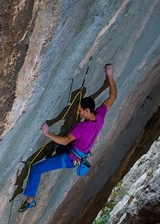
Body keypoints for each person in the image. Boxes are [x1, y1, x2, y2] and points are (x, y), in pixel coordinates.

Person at [19, 63, 118, 211]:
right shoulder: (100, 115)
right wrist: (109, 75)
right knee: (58, 149)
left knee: (36, 169)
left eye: (80, 110)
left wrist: (47, 133)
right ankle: (51, 158)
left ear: (87, 110)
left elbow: (66, 140)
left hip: (69, 159)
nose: (78, 113)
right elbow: (113, 96)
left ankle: (30, 200)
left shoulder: (81, 128)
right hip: (75, 154)